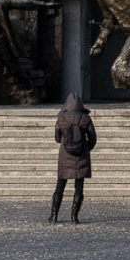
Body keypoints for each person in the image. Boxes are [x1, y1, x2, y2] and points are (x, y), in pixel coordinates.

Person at [49, 93, 97, 224]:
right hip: (81, 155)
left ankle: (54, 216)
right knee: (79, 188)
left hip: (65, 156)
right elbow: (93, 138)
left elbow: (57, 138)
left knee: (60, 186)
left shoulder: (62, 118)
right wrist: (87, 148)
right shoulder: (85, 118)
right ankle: (74, 217)